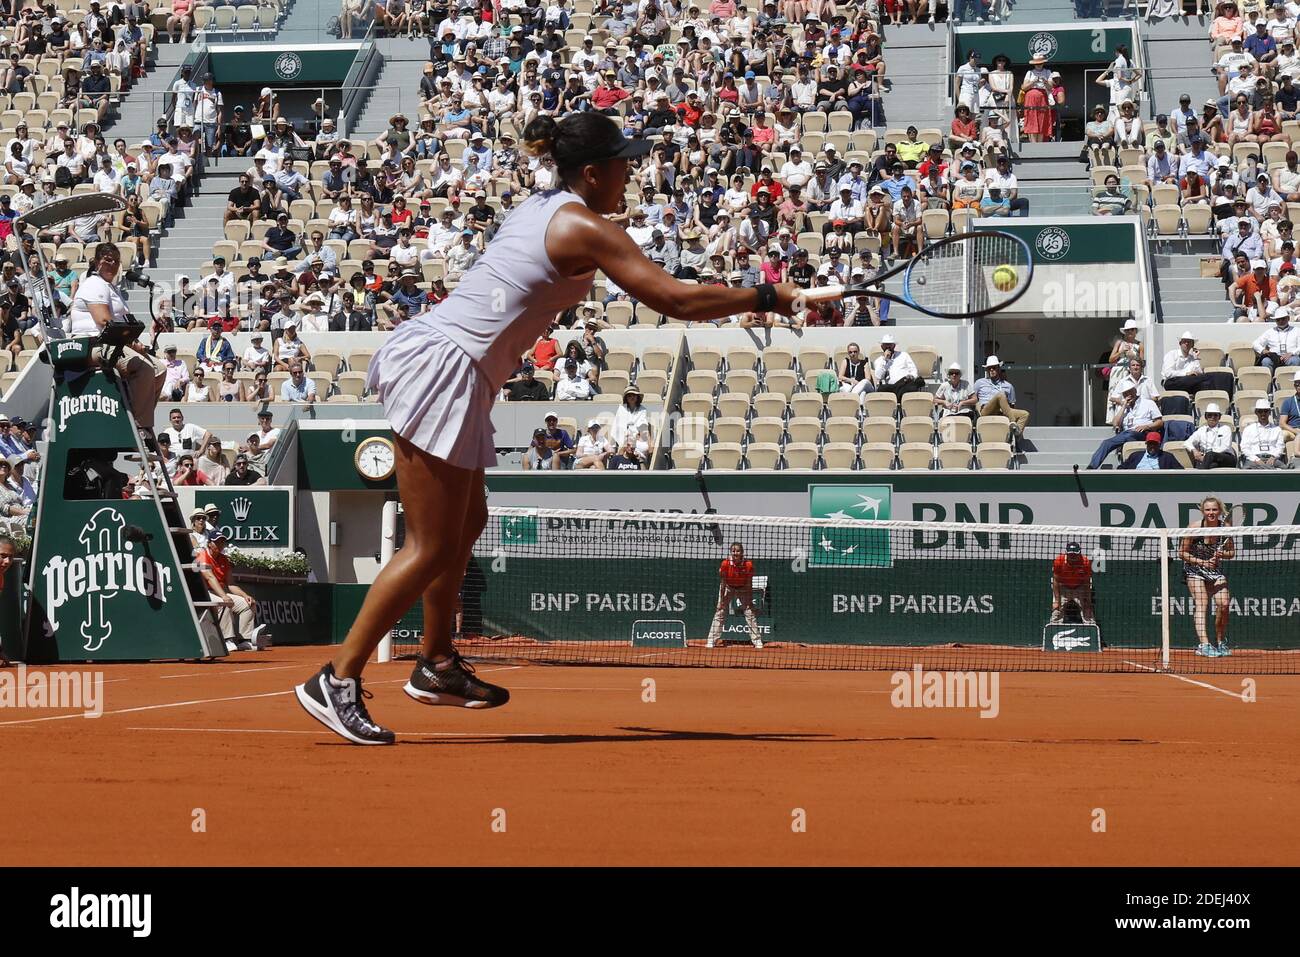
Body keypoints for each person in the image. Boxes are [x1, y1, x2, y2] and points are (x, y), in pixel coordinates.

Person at [294, 111, 800, 744]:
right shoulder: (582, 224)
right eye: (623, 163)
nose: (631, 173)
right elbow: (673, 299)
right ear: (593, 172)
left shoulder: (545, 203)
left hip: (460, 370)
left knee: (466, 524)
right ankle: (337, 677)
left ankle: (437, 662)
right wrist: (766, 296)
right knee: (427, 545)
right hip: (444, 367)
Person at [65, 242, 166, 437]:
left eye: (117, 261)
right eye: (108, 260)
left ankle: (137, 416)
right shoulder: (94, 284)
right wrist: (132, 344)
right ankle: (138, 427)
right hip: (92, 345)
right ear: (96, 262)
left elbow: (123, 324)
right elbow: (104, 321)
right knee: (144, 368)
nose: (113, 265)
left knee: (159, 370)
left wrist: (137, 342)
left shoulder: (111, 288)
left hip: (113, 343)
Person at [1181, 496, 1235, 658]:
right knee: (1202, 603)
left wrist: (1221, 554)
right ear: (1202, 511)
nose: (1211, 513)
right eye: (1208, 510)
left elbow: (1231, 553)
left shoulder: (1225, 527)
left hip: (1215, 571)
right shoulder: (1194, 527)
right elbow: (1182, 552)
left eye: (1214, 509)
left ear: (1219, 511)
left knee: (1224, 604)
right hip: (1194, 570)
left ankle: (1220, 642)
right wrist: (1203, 562)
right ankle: (1204, 644)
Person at [197, 529, 257, 652]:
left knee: (248, 604)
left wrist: (245, 595)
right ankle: (227, 640)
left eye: (222, 542)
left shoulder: (224, 559)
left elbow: (231, 584)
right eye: (217, 542)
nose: (220, 544)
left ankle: (244, 640)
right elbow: (210, 578)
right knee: (224, 604)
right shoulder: (202, 556)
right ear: (209, 543)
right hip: (204, 592)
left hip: (218, 591)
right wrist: (224, 596)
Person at [1087, 381, 1164, 469]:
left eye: (1130, 392)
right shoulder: (1123, 407)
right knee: (1106, 442)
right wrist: (1123, 406)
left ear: (1135, 391)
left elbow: (1160, 422)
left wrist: (1147, 426)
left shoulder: (1148, 403)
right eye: (1125, 393)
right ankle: (1091, 467)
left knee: (1129, 434)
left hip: (1143, 432)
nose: (1128, 395)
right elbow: (1115, 423)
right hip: (1127, 434)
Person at [706, 542, 763, 650]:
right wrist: (722, 601)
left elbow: (749, 583)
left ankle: (757, 641)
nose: (735, 553)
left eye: (738, 551)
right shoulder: (725, 564)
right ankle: (711, 640)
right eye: (733, 551)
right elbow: (723, 583)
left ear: (742, 552)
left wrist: (749, 600)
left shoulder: (748, 565)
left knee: (750, 613)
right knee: (720, 612)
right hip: (728, 587)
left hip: (743, 588)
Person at [972, 355, 1029, 433]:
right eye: (989, 368)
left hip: (1003, 411)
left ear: (999, 368)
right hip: (987, 410)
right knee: (1001, 395)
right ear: (987, 370)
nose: (991, 370)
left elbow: (1012, 404)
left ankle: (1016, 434)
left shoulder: (1008, 386)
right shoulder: (980, 382)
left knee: (1025, 414)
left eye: (994, 367)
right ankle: (1012, 422)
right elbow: (973, 398)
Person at [1050, 541, 1095, 624]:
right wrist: (1057, 601)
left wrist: (1088, 601)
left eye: (1075, 554)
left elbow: (1087, 582)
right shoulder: (1059, 561)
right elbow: (1056, 580)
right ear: (1066, 553)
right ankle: (1054, 628)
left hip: (1080, 587)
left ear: (1079, 554)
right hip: (1063, 588)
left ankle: (1091, 628)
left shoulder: (1085, 562)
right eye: (1070, 554)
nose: (1073, 557)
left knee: (1088, 612)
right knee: (1056, 611)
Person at [1240, 397, 1288, 467]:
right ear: (1256, 412)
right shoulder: (1248, 429)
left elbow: (1280, 447)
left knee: (1285, 471)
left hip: (1272, 458)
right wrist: (1256, 459)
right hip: (1254, 459)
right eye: (1260, 411)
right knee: (1246, 473)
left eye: (1265, 411)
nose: (1263, 414)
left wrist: (1273, 457)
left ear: (1269, 412)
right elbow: (1244, 448)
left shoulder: (1277, 429)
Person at [1187, 403, 1238, 469]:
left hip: (1226, 458)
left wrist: (1206, 456)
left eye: (1215, 415)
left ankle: (1199, 476)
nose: (1212, 417)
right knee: (1212, 466)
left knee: (1210, 455)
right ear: (1206, 417)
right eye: (1210, 415)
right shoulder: (1201, 430)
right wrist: (1194, 451)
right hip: (1210, 460)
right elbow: (1187, 442)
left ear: (1219, 417)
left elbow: (1225, 447)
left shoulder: (1225, 428)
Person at [1119, 431, 1184, 470]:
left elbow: (1180, 471)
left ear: (1159, 445)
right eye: (1150, 443)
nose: (1152, 446)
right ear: (1146, 444)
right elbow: (1121, 469)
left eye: (1155, 443)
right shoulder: (1135, 455)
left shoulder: (1168, 457)